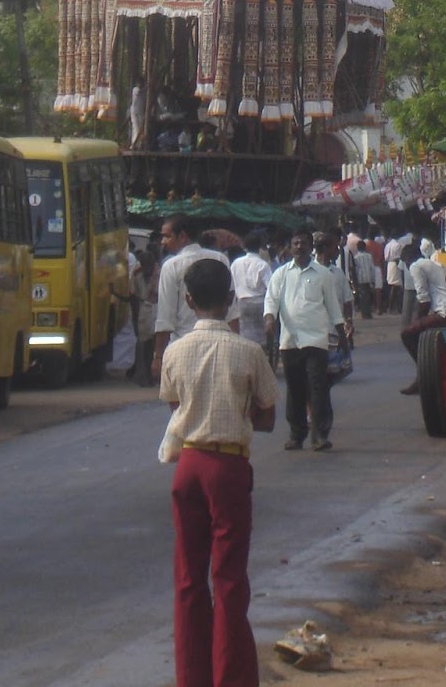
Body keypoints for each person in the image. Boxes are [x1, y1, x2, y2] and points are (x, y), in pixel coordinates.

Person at [161, 257, 277, 687]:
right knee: (228, 579)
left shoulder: (174, 351)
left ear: (188, 301)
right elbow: (267, 415)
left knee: (188, 580)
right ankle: (231, 679)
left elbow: (175, 407)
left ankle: (191, 678)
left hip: (188, 464)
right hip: (229, 465)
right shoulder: (247, 351)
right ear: (230, 300)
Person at [263, 229, 348, 452]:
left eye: (303, 243)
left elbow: (333, 306)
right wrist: (269, 320)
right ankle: (297, 434)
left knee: (318, 387)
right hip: (290, 341)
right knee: (295, 389)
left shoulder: (323, 274)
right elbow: (271, 301)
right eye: (295, 243)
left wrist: (342, 333)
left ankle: (320, 434)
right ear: (290, 247)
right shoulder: (281, 274)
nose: (299, 247)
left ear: (311, 247)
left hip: (316, 340)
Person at [152, 215, 234, 380]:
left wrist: (158, 357)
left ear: (182, 236)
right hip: (221, 345)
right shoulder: (220, 259)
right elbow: (233, 311)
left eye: (167, 236)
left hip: (182, 348)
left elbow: (165, 317)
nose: (163, 242)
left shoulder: (171, 266)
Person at [399, 247, 446, 395]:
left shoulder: (416, 266)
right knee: (420, 327)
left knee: (407, 333)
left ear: (407, 260)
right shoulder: (434, 263)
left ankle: (424, 374)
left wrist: (416, 323)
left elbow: (423, 300)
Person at [230, 234, 273, 347]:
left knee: (243, 336)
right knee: (261, 339)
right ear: (260, 247)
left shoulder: (236, 263)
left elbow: (232, 284)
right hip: (259, 303)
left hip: (241, 302)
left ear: (244, 246)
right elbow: (271, 288)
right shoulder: (263, 265)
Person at [130, 246, 161, 385]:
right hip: (145, 309)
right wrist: (135, 318)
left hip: (159, 307)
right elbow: (135, 297)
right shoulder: (137, 275)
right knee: (143, 343)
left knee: (157, 343)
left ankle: (156, 375)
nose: (146, 268)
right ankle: (144, 375)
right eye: (144, 265)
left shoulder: (161, 274)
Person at [352, 240, 376, 320]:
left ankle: (364, 313)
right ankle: (368, 313)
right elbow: (372, 268)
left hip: (360, 278)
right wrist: (373, 279)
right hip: (368, 278)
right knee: (368, 296)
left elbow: (355, 270)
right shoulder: (369, 256)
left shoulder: (356, 257)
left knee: (363, 297)